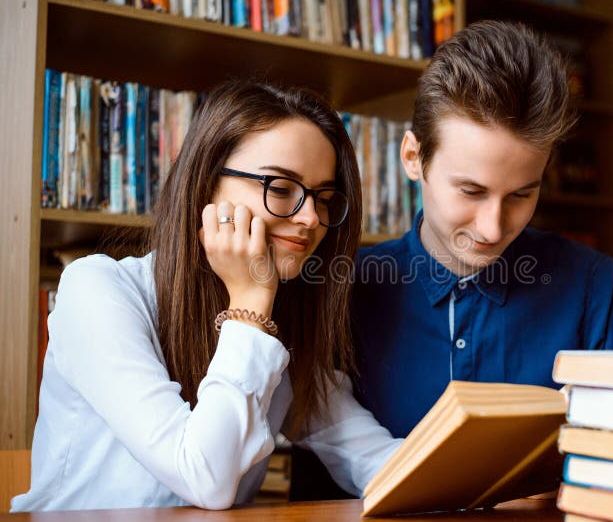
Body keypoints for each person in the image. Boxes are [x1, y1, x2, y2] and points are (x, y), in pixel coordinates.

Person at [11, 79, 400, 512]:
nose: (311, 218)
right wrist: (249, 304)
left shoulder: (283, 323)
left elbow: (375, 459)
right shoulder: (98, 290)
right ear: (205, 186)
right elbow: (204, 479)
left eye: (324, 198)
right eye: (280, 188)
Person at [350, 20, 613, 440]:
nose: (493, 229)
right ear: (412, 157)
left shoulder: (590, 286)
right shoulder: (347, 290)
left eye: (521, 195)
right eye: (471, 191)